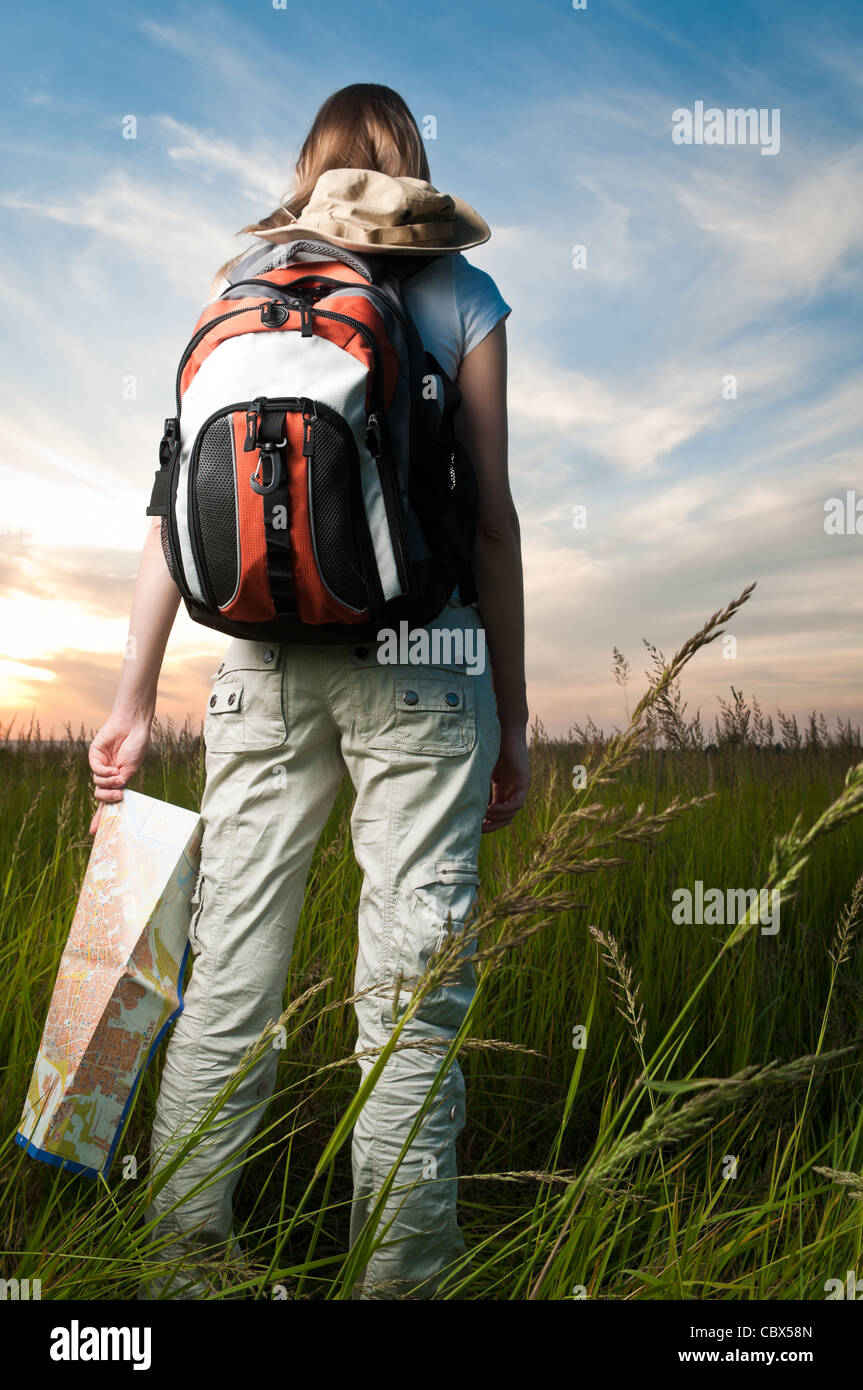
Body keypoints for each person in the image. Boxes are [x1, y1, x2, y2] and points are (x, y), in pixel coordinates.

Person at [88, 82, 529, 1300]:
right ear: (414, 164)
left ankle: (182, 1264)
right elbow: (488, 522)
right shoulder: (461, 296)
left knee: (229, 965)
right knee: (407, 993)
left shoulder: (237, 294)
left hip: (261, 662)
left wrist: (131, 700)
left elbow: (171, 517)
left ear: (308, 165)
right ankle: (399, 1276)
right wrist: (517, 712)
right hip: (426, 659)